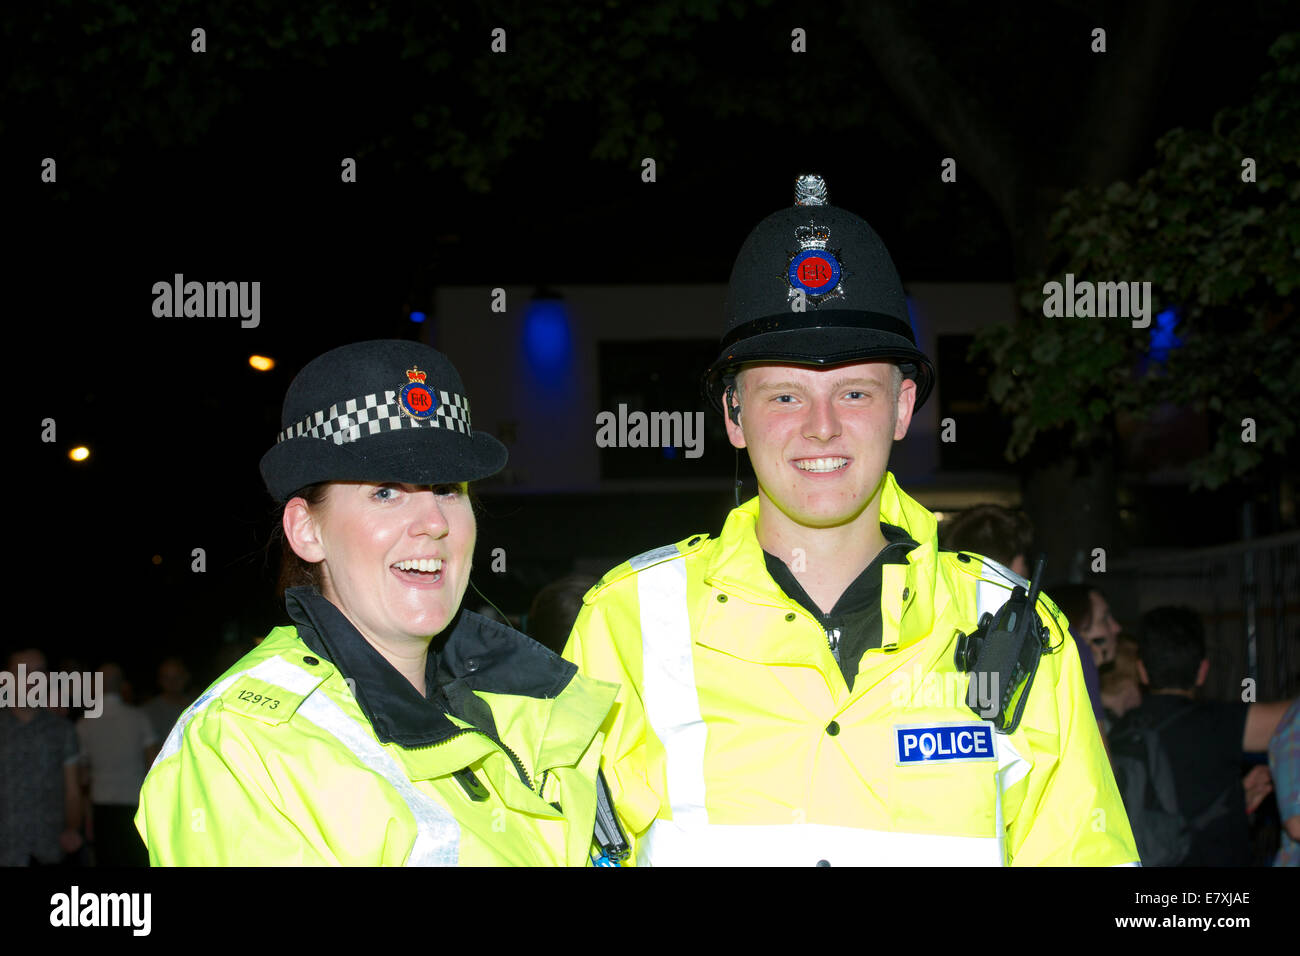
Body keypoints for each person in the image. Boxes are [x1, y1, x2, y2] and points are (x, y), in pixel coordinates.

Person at [564, 175, 1137, 865]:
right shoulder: (626, 624)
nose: (822, 428)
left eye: (855, 391)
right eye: (784, 396)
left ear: (902, 407)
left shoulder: (1016, 626)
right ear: (733, 416)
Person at [136, 340, 617, 865]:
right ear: (306, 529)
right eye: (386, 491)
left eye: (447, 489)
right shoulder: (240, 748)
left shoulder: (536, 705)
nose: (434, 522)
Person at [1112, 605, 1295, 866]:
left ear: (1142, 670)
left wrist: (1236, 799)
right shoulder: (1221, 722)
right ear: (1203, 670)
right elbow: (1292, 718)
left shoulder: (1120, 730)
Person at [0, 648, 83, 865]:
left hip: (48, 847)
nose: (33, 680)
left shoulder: (63, 729)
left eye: (39, 672)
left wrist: (72, 828)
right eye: (23, 672)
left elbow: (73, 791)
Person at [76, 662, 155, 865]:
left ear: (95, 685)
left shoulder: (84, 723)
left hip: (101, 803)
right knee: (134, 859)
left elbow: (82, 776)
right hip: (134, 801)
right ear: (122, 685)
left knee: (107, 860)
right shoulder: (139, 717)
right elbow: (153, 762)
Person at [141, 657, 196, 743]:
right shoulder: (148, 711)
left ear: (186, 677)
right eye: (166, 678)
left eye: (177, 677)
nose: (172, 682)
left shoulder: (197, 706)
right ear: (160, 681)